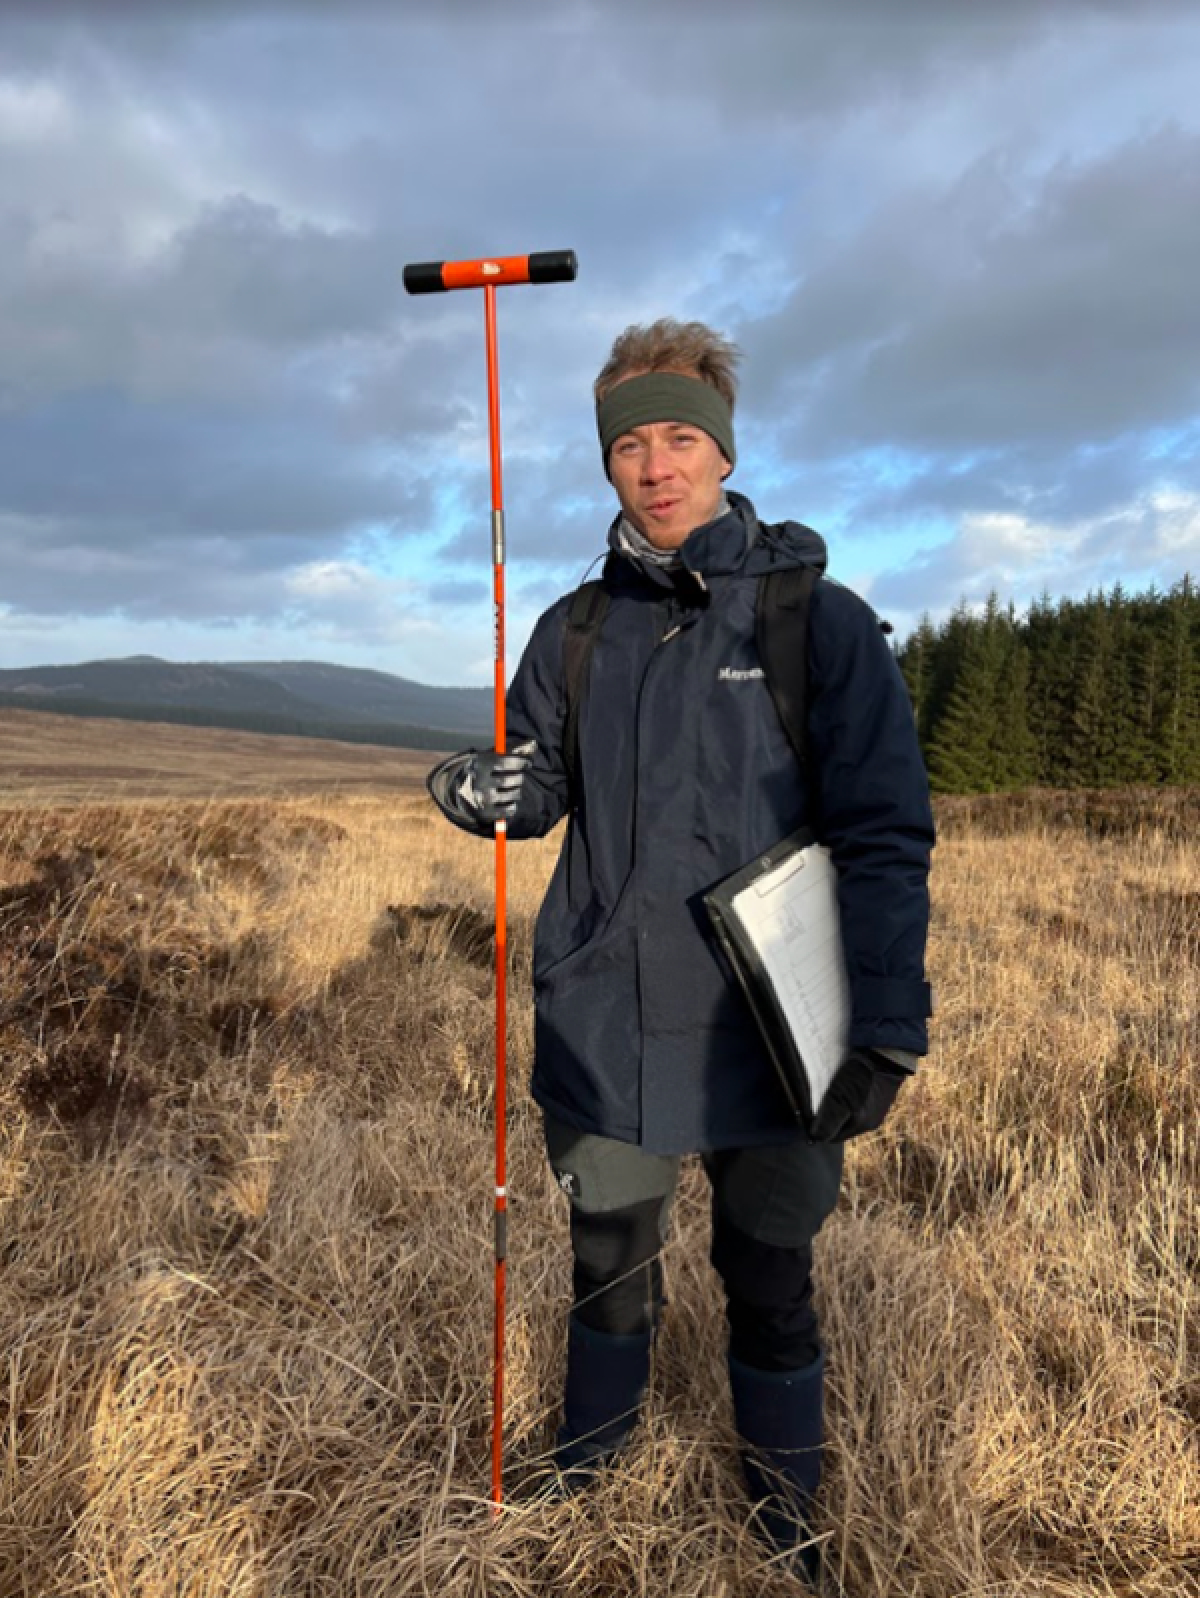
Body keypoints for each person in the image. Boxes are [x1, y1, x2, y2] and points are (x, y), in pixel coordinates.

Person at [428, 319, 934, 1580]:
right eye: (632, 443)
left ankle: (788, 1518)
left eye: (682, 438)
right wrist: (491, 789)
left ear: (724, 450)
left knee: (770, 1271)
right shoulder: (573, 630)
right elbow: (539, 781)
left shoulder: (819, 621)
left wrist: (883, 1020)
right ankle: (588, 1477)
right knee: (610, 1265)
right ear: (607, 463)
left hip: (773, 1025)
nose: (657, 465)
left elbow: (885, 834)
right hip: (608, 1017)